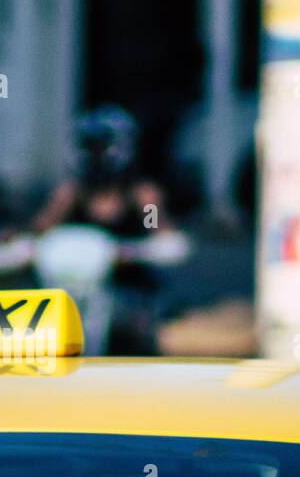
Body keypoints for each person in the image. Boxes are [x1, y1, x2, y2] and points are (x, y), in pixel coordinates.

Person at [24, 106, 184, 354]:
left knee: (138, 331)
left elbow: (159, 230)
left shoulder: (142, 195)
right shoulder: (71, 193)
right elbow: (41, 227)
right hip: (77, 288)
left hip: (128, 293)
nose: (95, 155)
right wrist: (21, 240)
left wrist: (140, 250)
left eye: (101, 146)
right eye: (90, 146)